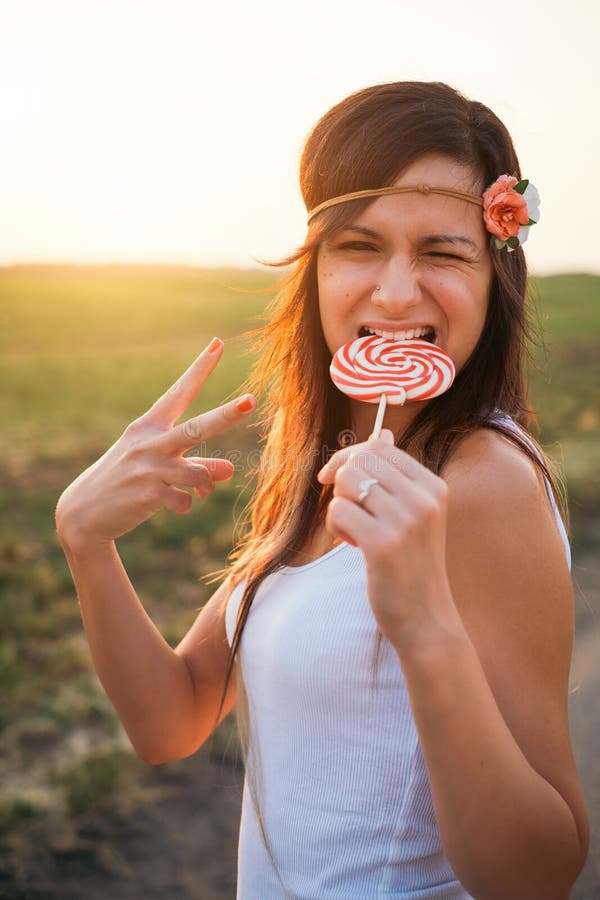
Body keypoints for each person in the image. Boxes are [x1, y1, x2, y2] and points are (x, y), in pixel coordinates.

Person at [56, 81, 589, 898]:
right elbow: (176, 718)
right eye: (359, 245)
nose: (398, 290)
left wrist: (422, 626)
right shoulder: (326, 465)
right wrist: (88, 546)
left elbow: (539, 873)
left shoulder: (485, 484)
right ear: (315, 266)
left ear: (494, 276)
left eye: (443, 252)